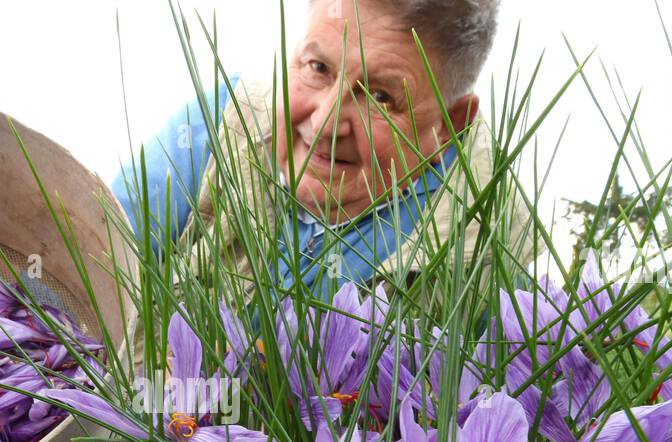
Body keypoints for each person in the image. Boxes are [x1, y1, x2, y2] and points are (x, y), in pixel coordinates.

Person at [111, 0, 534, 297]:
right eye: (318, 68)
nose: (325, 122)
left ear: (450, 125)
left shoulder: (493, 248)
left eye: (381, 97)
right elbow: (84, 270)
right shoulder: (222, 120)